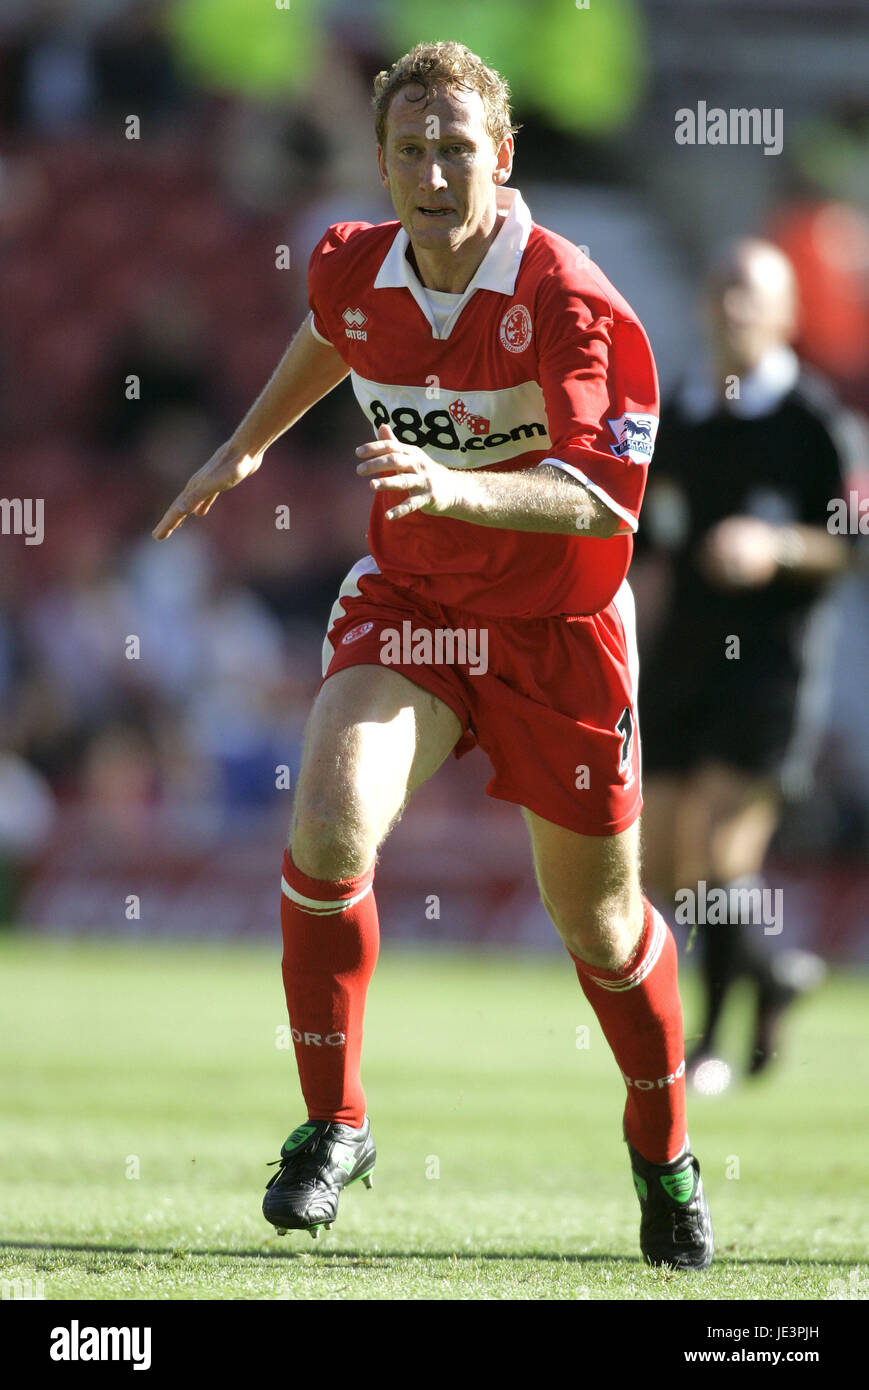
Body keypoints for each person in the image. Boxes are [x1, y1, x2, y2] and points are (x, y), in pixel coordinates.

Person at [153, 41, 713, 1270]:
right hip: (411, 604)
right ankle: (332, 1125)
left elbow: (597, 502)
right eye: (409, 149)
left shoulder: (570, 301)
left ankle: (663, 1150)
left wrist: (457, 483)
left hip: (558, 633)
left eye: (457, 147)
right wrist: (248, 446)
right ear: (382, 163)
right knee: (327, 825)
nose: (432, 169)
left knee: (602, 928)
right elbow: (332, 327)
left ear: (501, 158)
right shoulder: (355, 262)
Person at [636, 239, 859, 1080]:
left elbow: (854, 542)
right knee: (663, 866)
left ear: (787, 315)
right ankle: (772, 975)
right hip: (681, 661)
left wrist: (779, 545)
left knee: (717, 848)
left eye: (750, 292)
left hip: (769, 669)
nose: (732, 306)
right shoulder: (679, 414)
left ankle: (709, 1048)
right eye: (721, 287)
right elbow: (649, 530)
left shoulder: (814, 424)